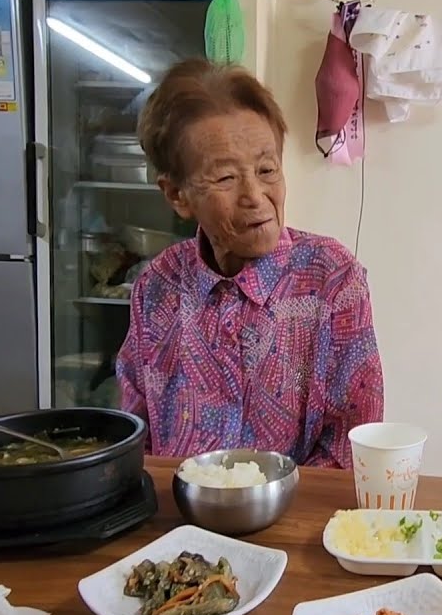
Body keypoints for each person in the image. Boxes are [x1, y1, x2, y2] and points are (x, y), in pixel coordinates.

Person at [117, 58, 384, 467]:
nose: (256, 196)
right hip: (180, 517)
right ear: (176, 195)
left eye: (267, 169)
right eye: (225, 178)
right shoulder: (158, 285)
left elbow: (351, 440)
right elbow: (138, 433)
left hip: (293, 517)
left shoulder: (332, 276)